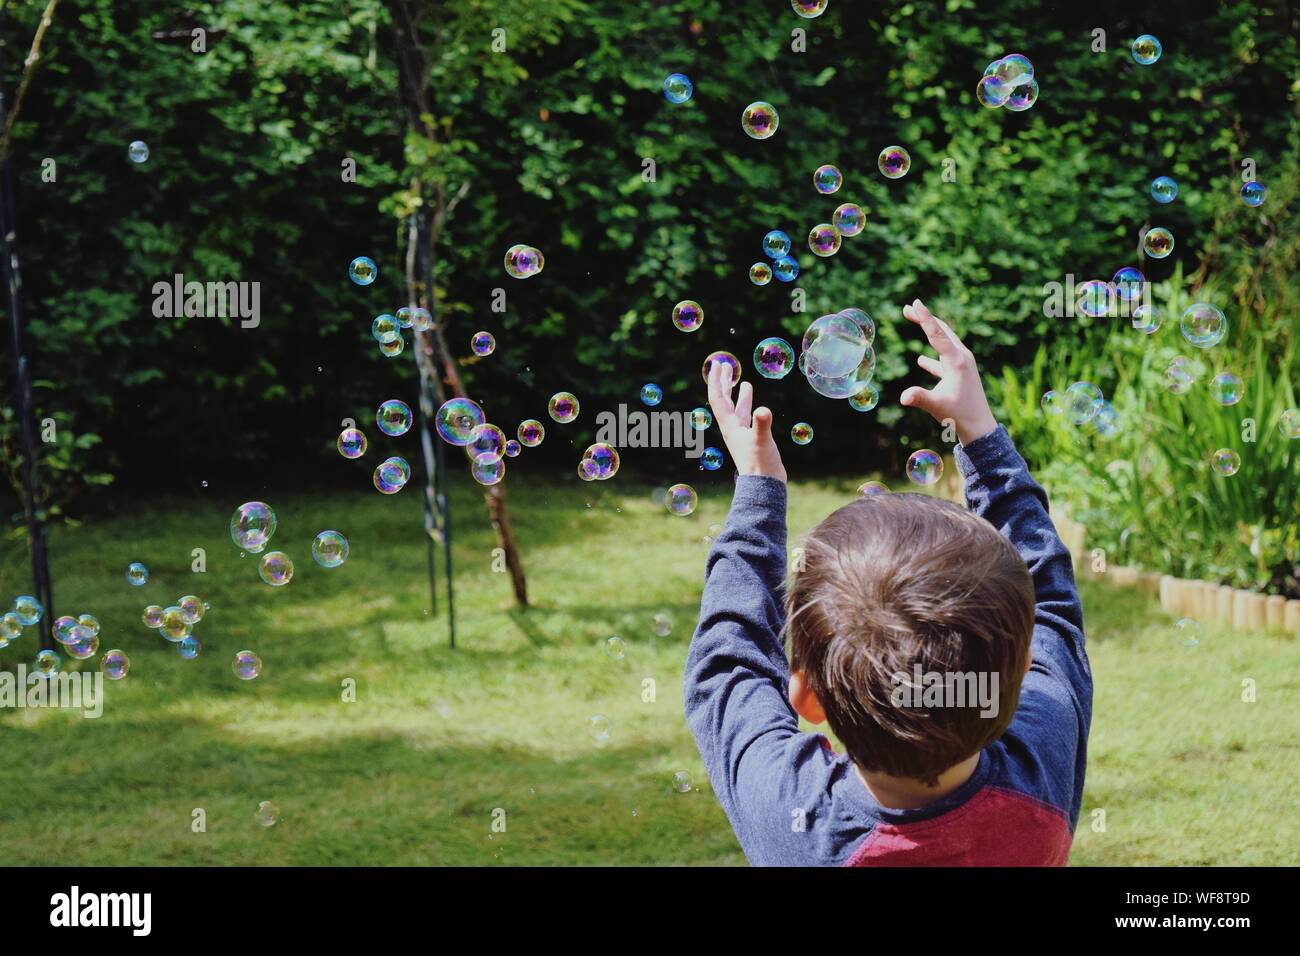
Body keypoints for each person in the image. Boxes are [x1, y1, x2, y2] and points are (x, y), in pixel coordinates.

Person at [684, 300, 1091, 865]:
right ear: (1022, 671)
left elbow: (726, 669)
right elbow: (1050, 602)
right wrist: (979, 434)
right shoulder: (1040, 767)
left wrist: (758, 488)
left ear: (806, 695)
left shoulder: (797, 822)